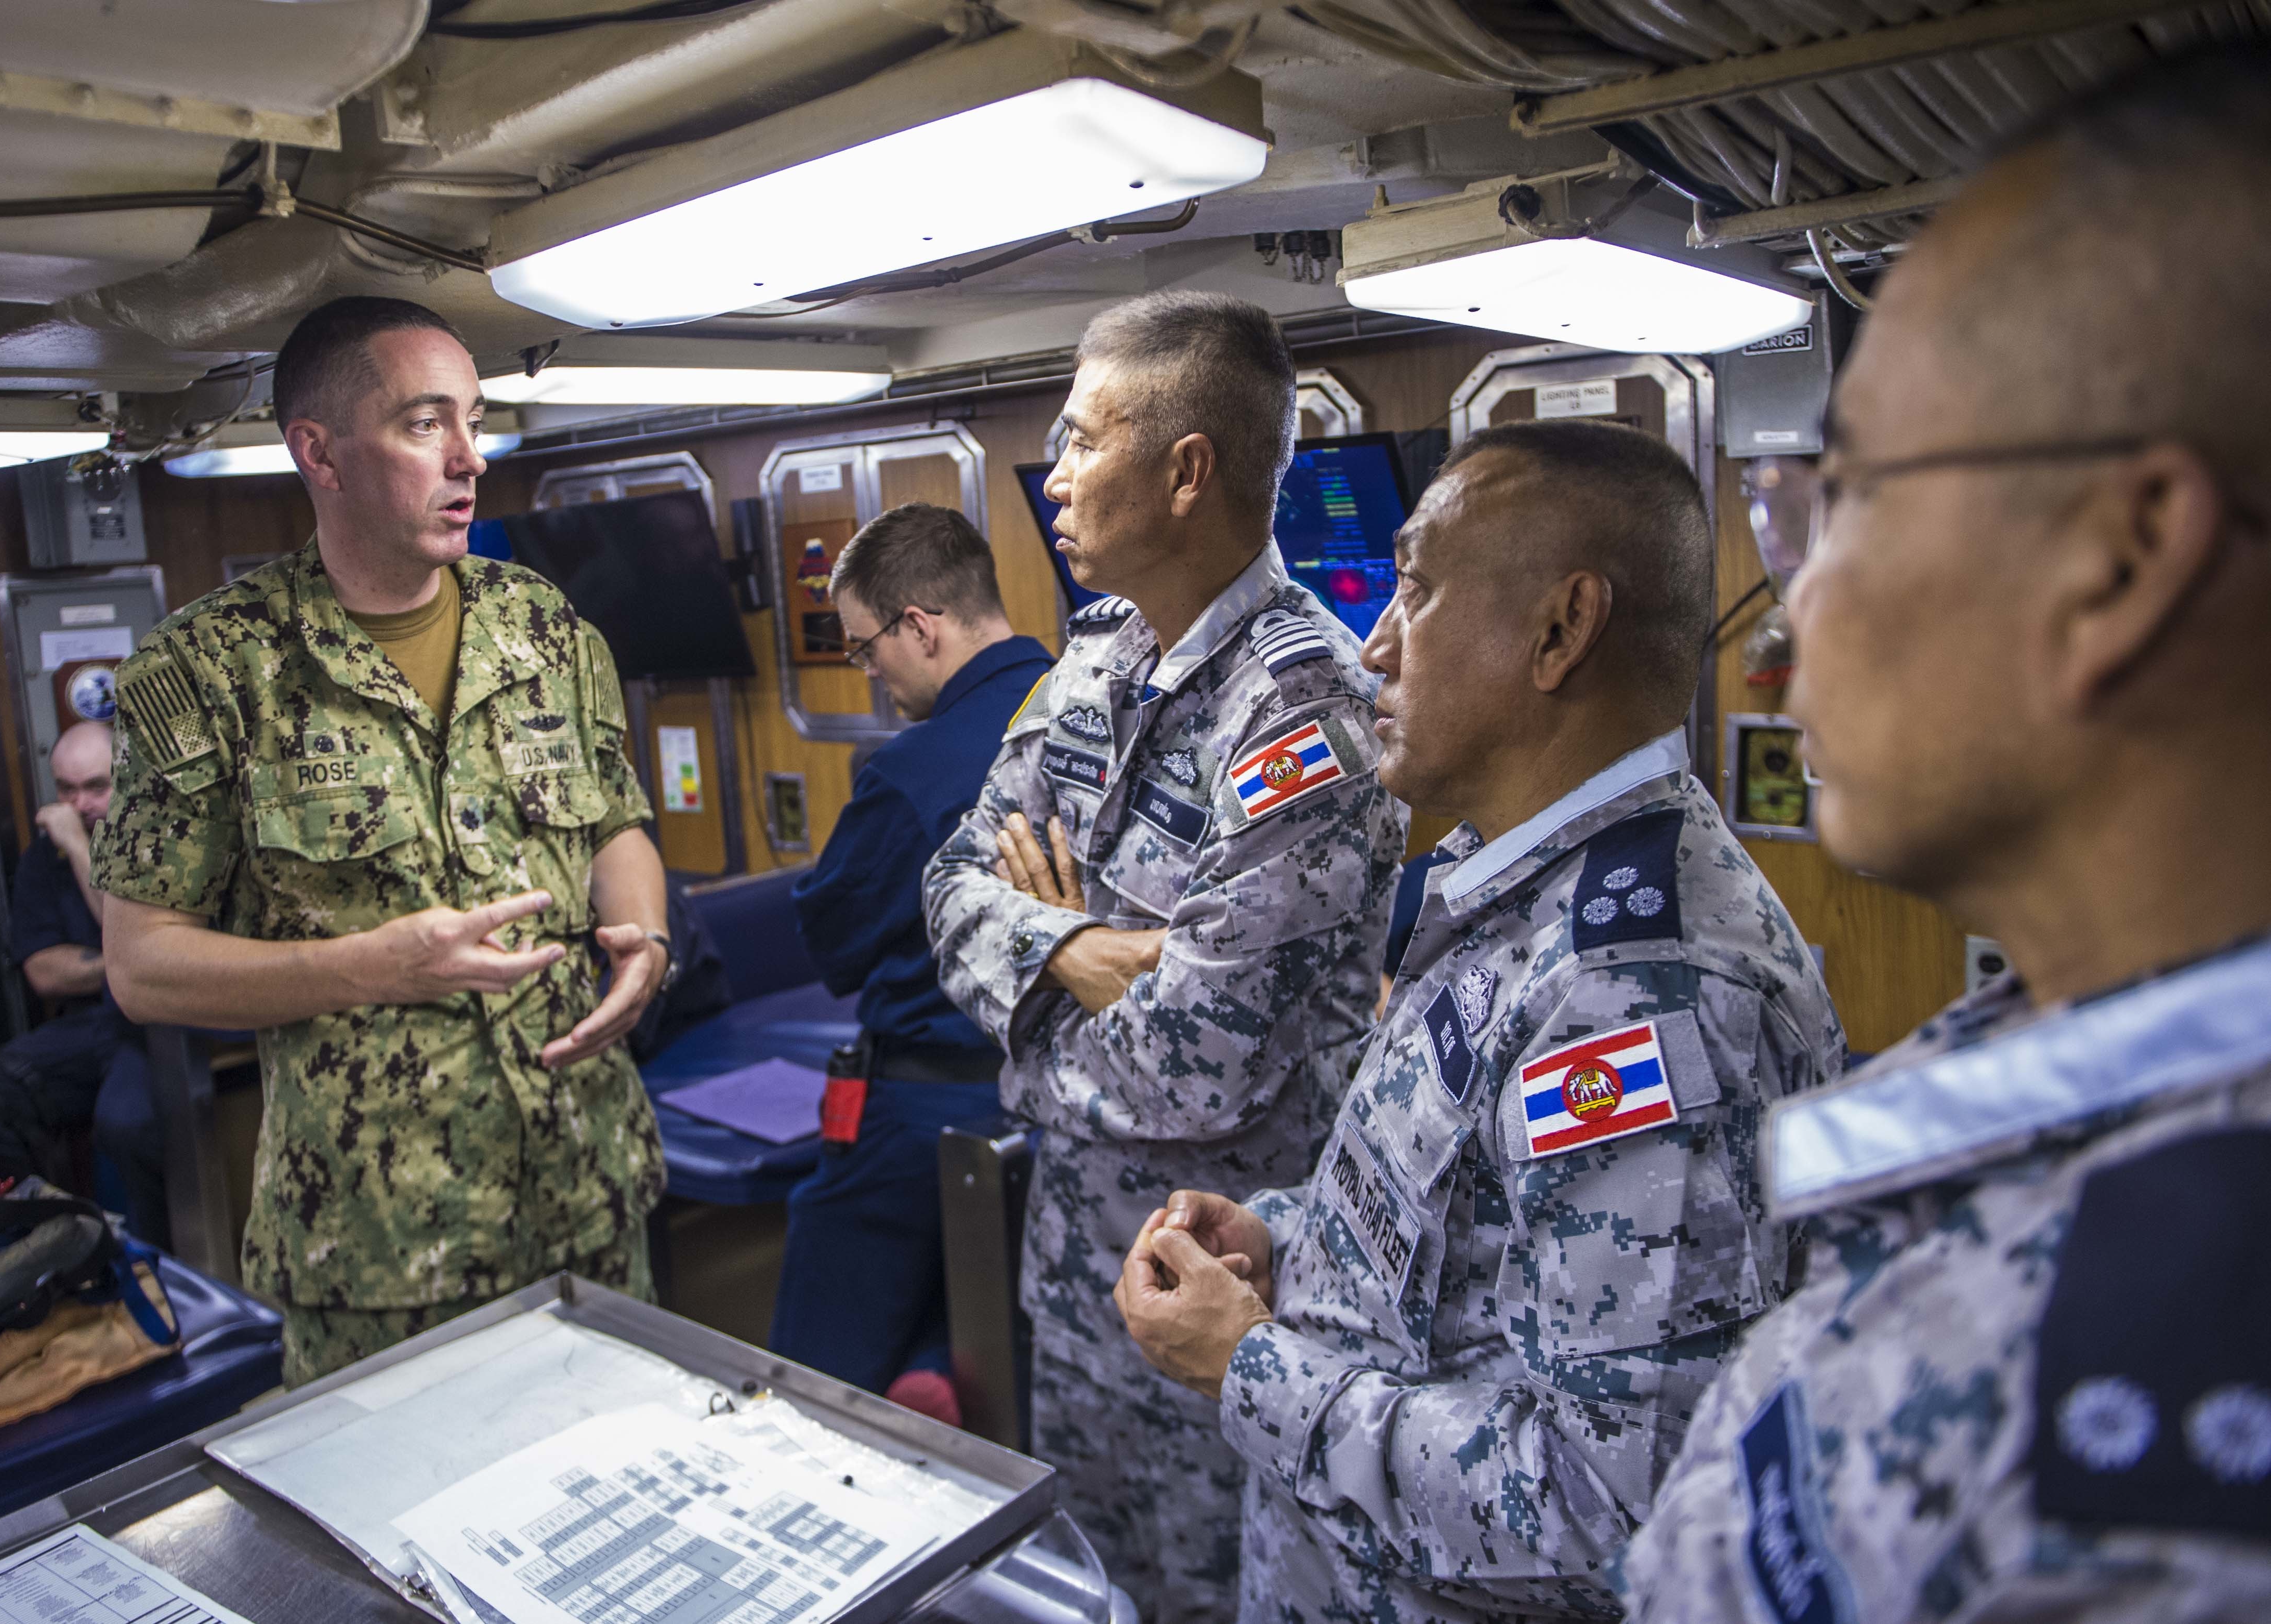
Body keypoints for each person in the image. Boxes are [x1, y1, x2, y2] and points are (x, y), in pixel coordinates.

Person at [1612, 47, 2271, 1623]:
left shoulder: (2164, 1457)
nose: (1778, 633)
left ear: (2117, 560)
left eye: (1850, 498)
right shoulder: (2036, 1090)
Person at [1114, 420, 1846, 1622]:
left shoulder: (1637, 988)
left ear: (1561, 628)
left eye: (1416, 587)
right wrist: (1287, 1238)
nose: (1372, 646)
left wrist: (1254, 1364)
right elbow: (1476, 1245)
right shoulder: (1523, 892)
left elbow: (1614, 1501)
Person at [923, 291, 1405, 1621]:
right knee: (1094, 1588)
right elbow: (951, 883)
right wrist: (1073, 945)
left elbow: (1195, 1068)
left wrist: (1019, 1019)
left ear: (1188, 470)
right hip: (1079, 1268)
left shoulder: (1304, 709)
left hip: (1230, 1281)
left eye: (1082, 442)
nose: (1057, 477)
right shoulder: (1095, 662)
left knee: (1210, 1597)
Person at [95, 296, 670, 1388]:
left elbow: (614, 817)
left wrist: (642, 931)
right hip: (381, 1245)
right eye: (424, 423)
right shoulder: (212, 671)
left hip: (591, 1182)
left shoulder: (542, 621)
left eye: (475, 417)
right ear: (319, 451)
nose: (470, 458)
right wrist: (366, 966)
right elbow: (142, 963)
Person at [773, 502, 1055, 1419]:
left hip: (919, 1114)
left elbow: (835, 943)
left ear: (920, 628)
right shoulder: (1098, 715)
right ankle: (937, 1365)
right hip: (1063, 1104)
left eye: (864, 649)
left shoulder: (915, 771)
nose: (869, 676)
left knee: (818, 1368)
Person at [0, 722, 164, 1246]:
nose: (79, 803)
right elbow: (46, 973)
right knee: (5, 1082)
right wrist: (120, 965)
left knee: (126, 1122)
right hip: (93, 1019)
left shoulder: (157, 835)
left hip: (157, 1019)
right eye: (66, 790)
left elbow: (132, 937)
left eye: (96, 787)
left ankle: (152, 1261)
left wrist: (81, 848)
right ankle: (44, 1245)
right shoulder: (44, 858)